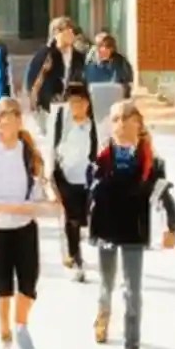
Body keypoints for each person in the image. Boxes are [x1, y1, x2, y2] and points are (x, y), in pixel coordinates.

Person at [89, 101, 175, 349]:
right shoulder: (101, 157)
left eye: (127, 119)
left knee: (132, 294)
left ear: (139, 124)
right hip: (106, 228)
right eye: (115, 119)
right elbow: (90, 193)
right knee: (106, 285)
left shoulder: (151, 161)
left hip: (133, 231)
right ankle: (103, 313)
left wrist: (170, 226)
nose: (121, 124)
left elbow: (162, 195)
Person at [0, 98, 56, 349]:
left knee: (28, 283)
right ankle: (5, 339)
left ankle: (21, 325)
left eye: (9, 115)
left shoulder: (28, 152)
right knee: (3, 289)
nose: (3, 121)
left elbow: (37, 190)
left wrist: (29, 204)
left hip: (24, 226)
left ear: (18, 120)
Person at [52, 82, 98, 281]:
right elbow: (52, 147)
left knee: (82, 219)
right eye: (72, 102)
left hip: (85, 178)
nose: (76, 106)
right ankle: (75, 255)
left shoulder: (92, 125)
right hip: (65, 176)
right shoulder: (62, 120)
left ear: (87, 103)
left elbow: (95, 152)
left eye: (80, 102)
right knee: (72, 219)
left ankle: (73, 250)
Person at [26, 16, 86, 140]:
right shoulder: (45, 55)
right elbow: (33, 81)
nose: (71, 34)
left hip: (71, 106)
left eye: (72, 31)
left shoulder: (78, 57)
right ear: (56, 33)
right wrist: (36, 105)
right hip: (48, 107)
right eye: (66, 30)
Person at [84, 33, 134, 99]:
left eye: (107, 46)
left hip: (116, 99)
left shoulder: (121, 62)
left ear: (112, 49)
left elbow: (128, 83)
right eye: (100, 46)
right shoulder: (90, 63)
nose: (104, 49)